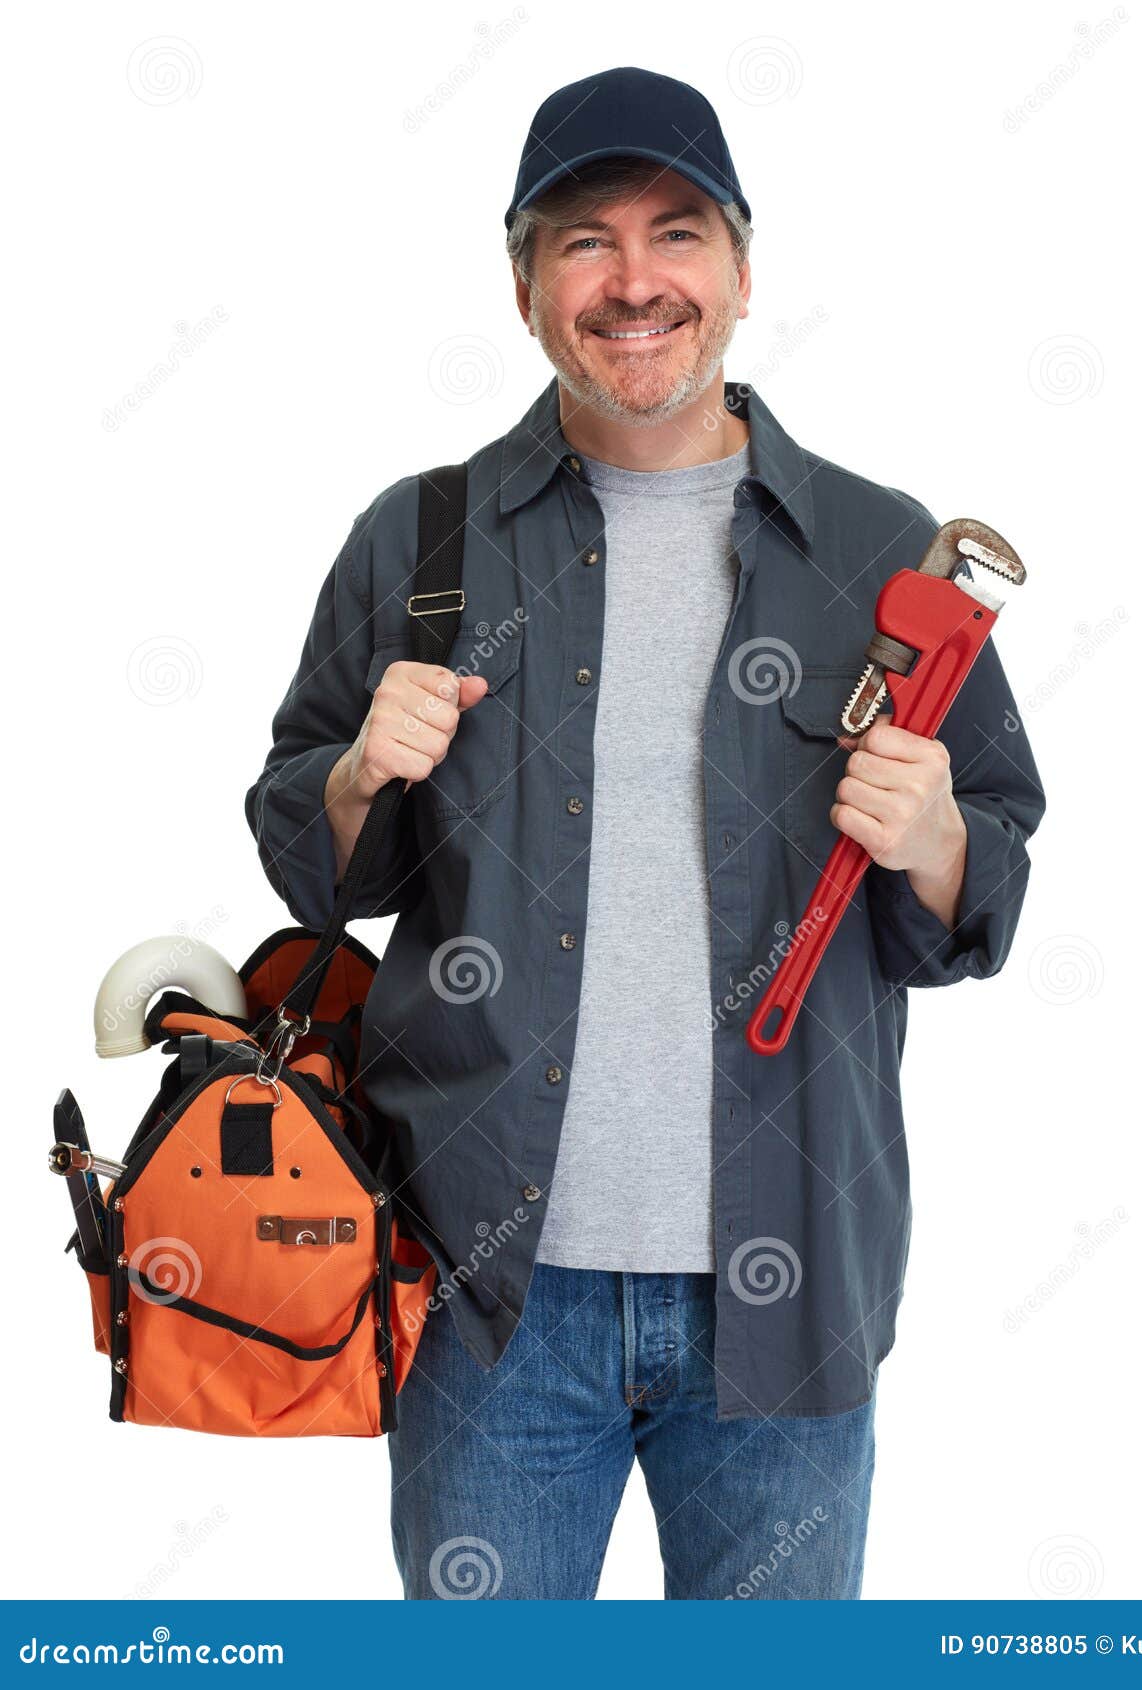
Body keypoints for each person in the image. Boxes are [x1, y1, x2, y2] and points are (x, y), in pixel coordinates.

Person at [245, 65, 1045, 1600]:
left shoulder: (880, 550)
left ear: (742, 270)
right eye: (583, 242)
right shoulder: (419, 537)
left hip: (790, 1288)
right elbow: (311, 862)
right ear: (526, 282)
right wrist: (356, 778)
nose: (634, 283)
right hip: (484, 1294)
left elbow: (983, 877)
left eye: (676, 235)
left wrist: (939, 837)